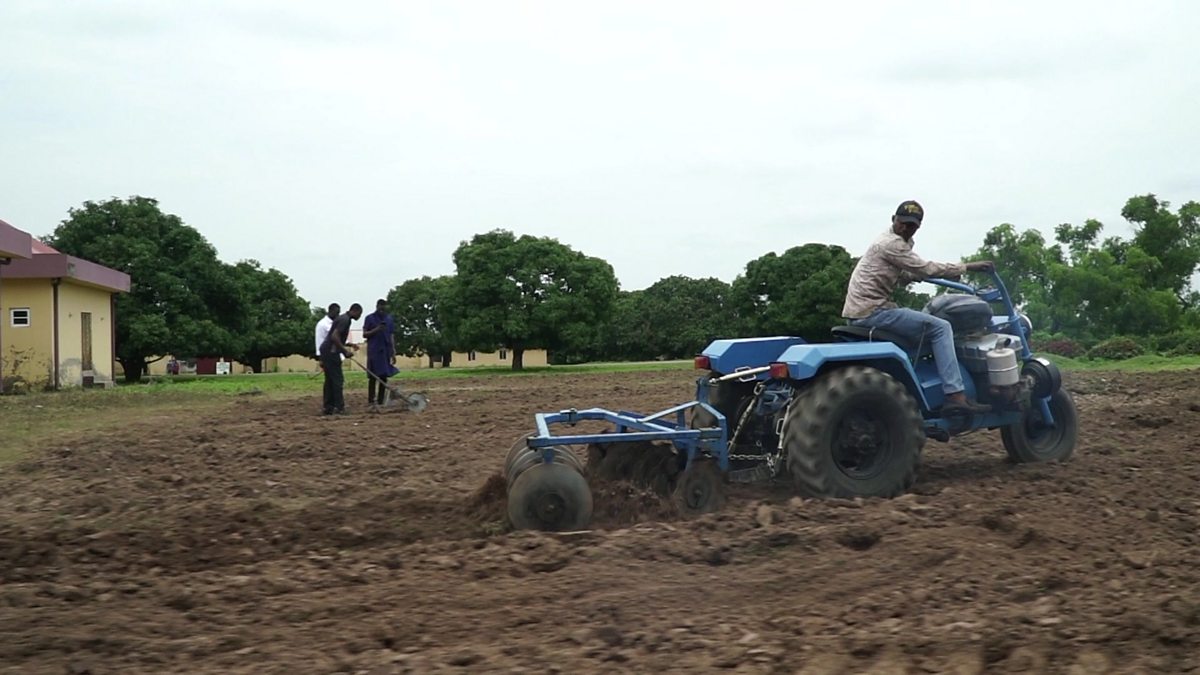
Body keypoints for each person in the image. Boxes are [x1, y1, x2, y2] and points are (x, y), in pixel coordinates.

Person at [841, 200, 994, 413]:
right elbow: (926, 267)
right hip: (873, 311)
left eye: (911, 225)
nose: (905, 228)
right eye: (902, 222)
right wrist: (966, 267)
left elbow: (904, 272)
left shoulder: (893, 244)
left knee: (926, 325)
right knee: (941, 328)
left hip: (865, 309)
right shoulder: (890, 243)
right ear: (893, 219)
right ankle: (956, 395)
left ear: (918, 227)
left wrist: (915, 275)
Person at [319, 303, 362, 415]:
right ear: (355, 311)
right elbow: (334, 336)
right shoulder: (345, 320)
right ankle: (339, 407)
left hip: (327, 351)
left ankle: (328, 407)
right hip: (330, 352)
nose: (359, 317)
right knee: (337, 380)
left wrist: (348, 346)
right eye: (360, 314)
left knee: (330, 381)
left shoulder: (342, 318)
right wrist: (345, 351)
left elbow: (337, 338)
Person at [362, 298, 398, 408]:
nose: (382, 310)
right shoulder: (369, 318)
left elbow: (391, 335)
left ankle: (381, 401)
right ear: (376, 306)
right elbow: (365, 334)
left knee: (384, 376)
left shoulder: (389, 319)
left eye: (384, 307)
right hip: (374, 351)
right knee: (373, 377)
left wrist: (393, 351)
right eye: (380, 307)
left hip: (385, 352)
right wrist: (377, 329)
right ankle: (371, 401)